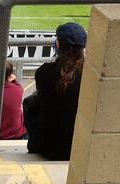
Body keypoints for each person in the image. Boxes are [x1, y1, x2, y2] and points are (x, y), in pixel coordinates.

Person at [23, 23, 86, 160]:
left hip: (47, 148)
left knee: (30, 102)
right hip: (79, 147)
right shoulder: (90, 73)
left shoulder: (43, 72)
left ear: (58, 44)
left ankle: (32, 145)